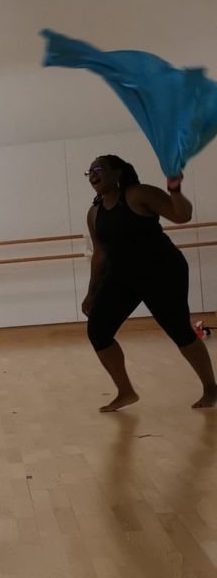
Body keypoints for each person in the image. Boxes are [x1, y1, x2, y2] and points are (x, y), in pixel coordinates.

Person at [81, 154, 216, 411]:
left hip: (162, 271)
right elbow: (100, 254)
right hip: (121, 276)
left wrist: (174, 189)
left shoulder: (138, 195)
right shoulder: (94, 213)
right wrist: (91, 292)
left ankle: (211, 388)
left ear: (117, 173)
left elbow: (181, 215)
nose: (93, 175)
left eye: (98, 169)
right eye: (89, 172)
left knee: (180, 330)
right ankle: (126, 391)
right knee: (98, 331)